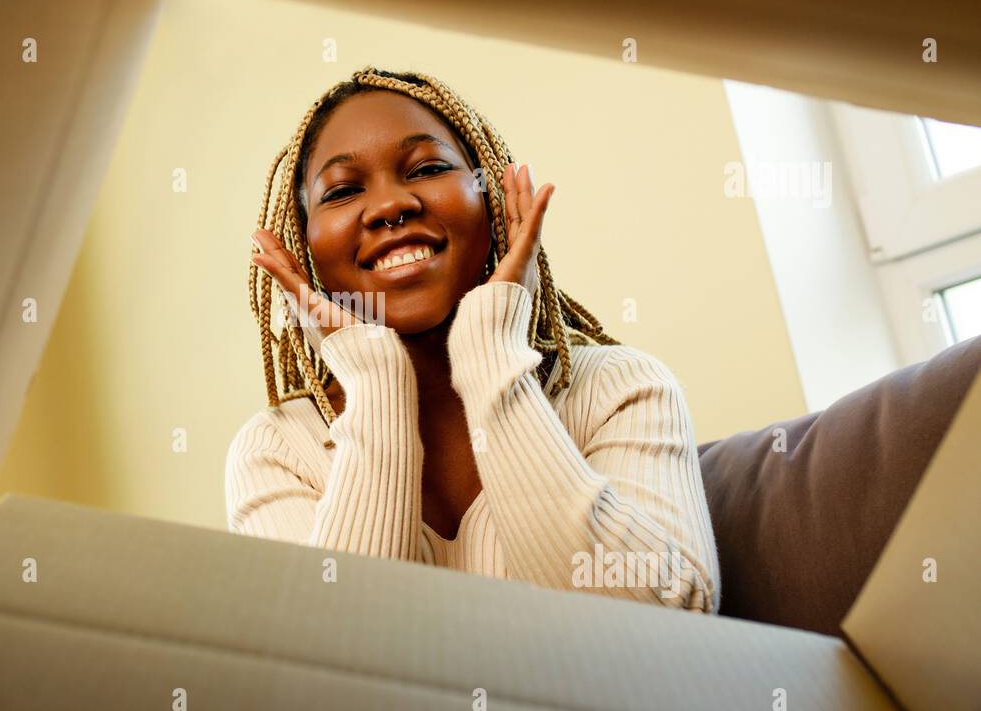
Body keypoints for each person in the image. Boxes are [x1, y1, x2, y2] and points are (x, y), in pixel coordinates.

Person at [226, 66, 720, 613]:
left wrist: (489, 350)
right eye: (342, 191)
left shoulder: (619, 389)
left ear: (493, 203)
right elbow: (328, 653)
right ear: (304, 247)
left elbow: (665, 622)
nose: (390, 206)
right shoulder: (276, 450)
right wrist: (375, 381)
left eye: (429, 168)